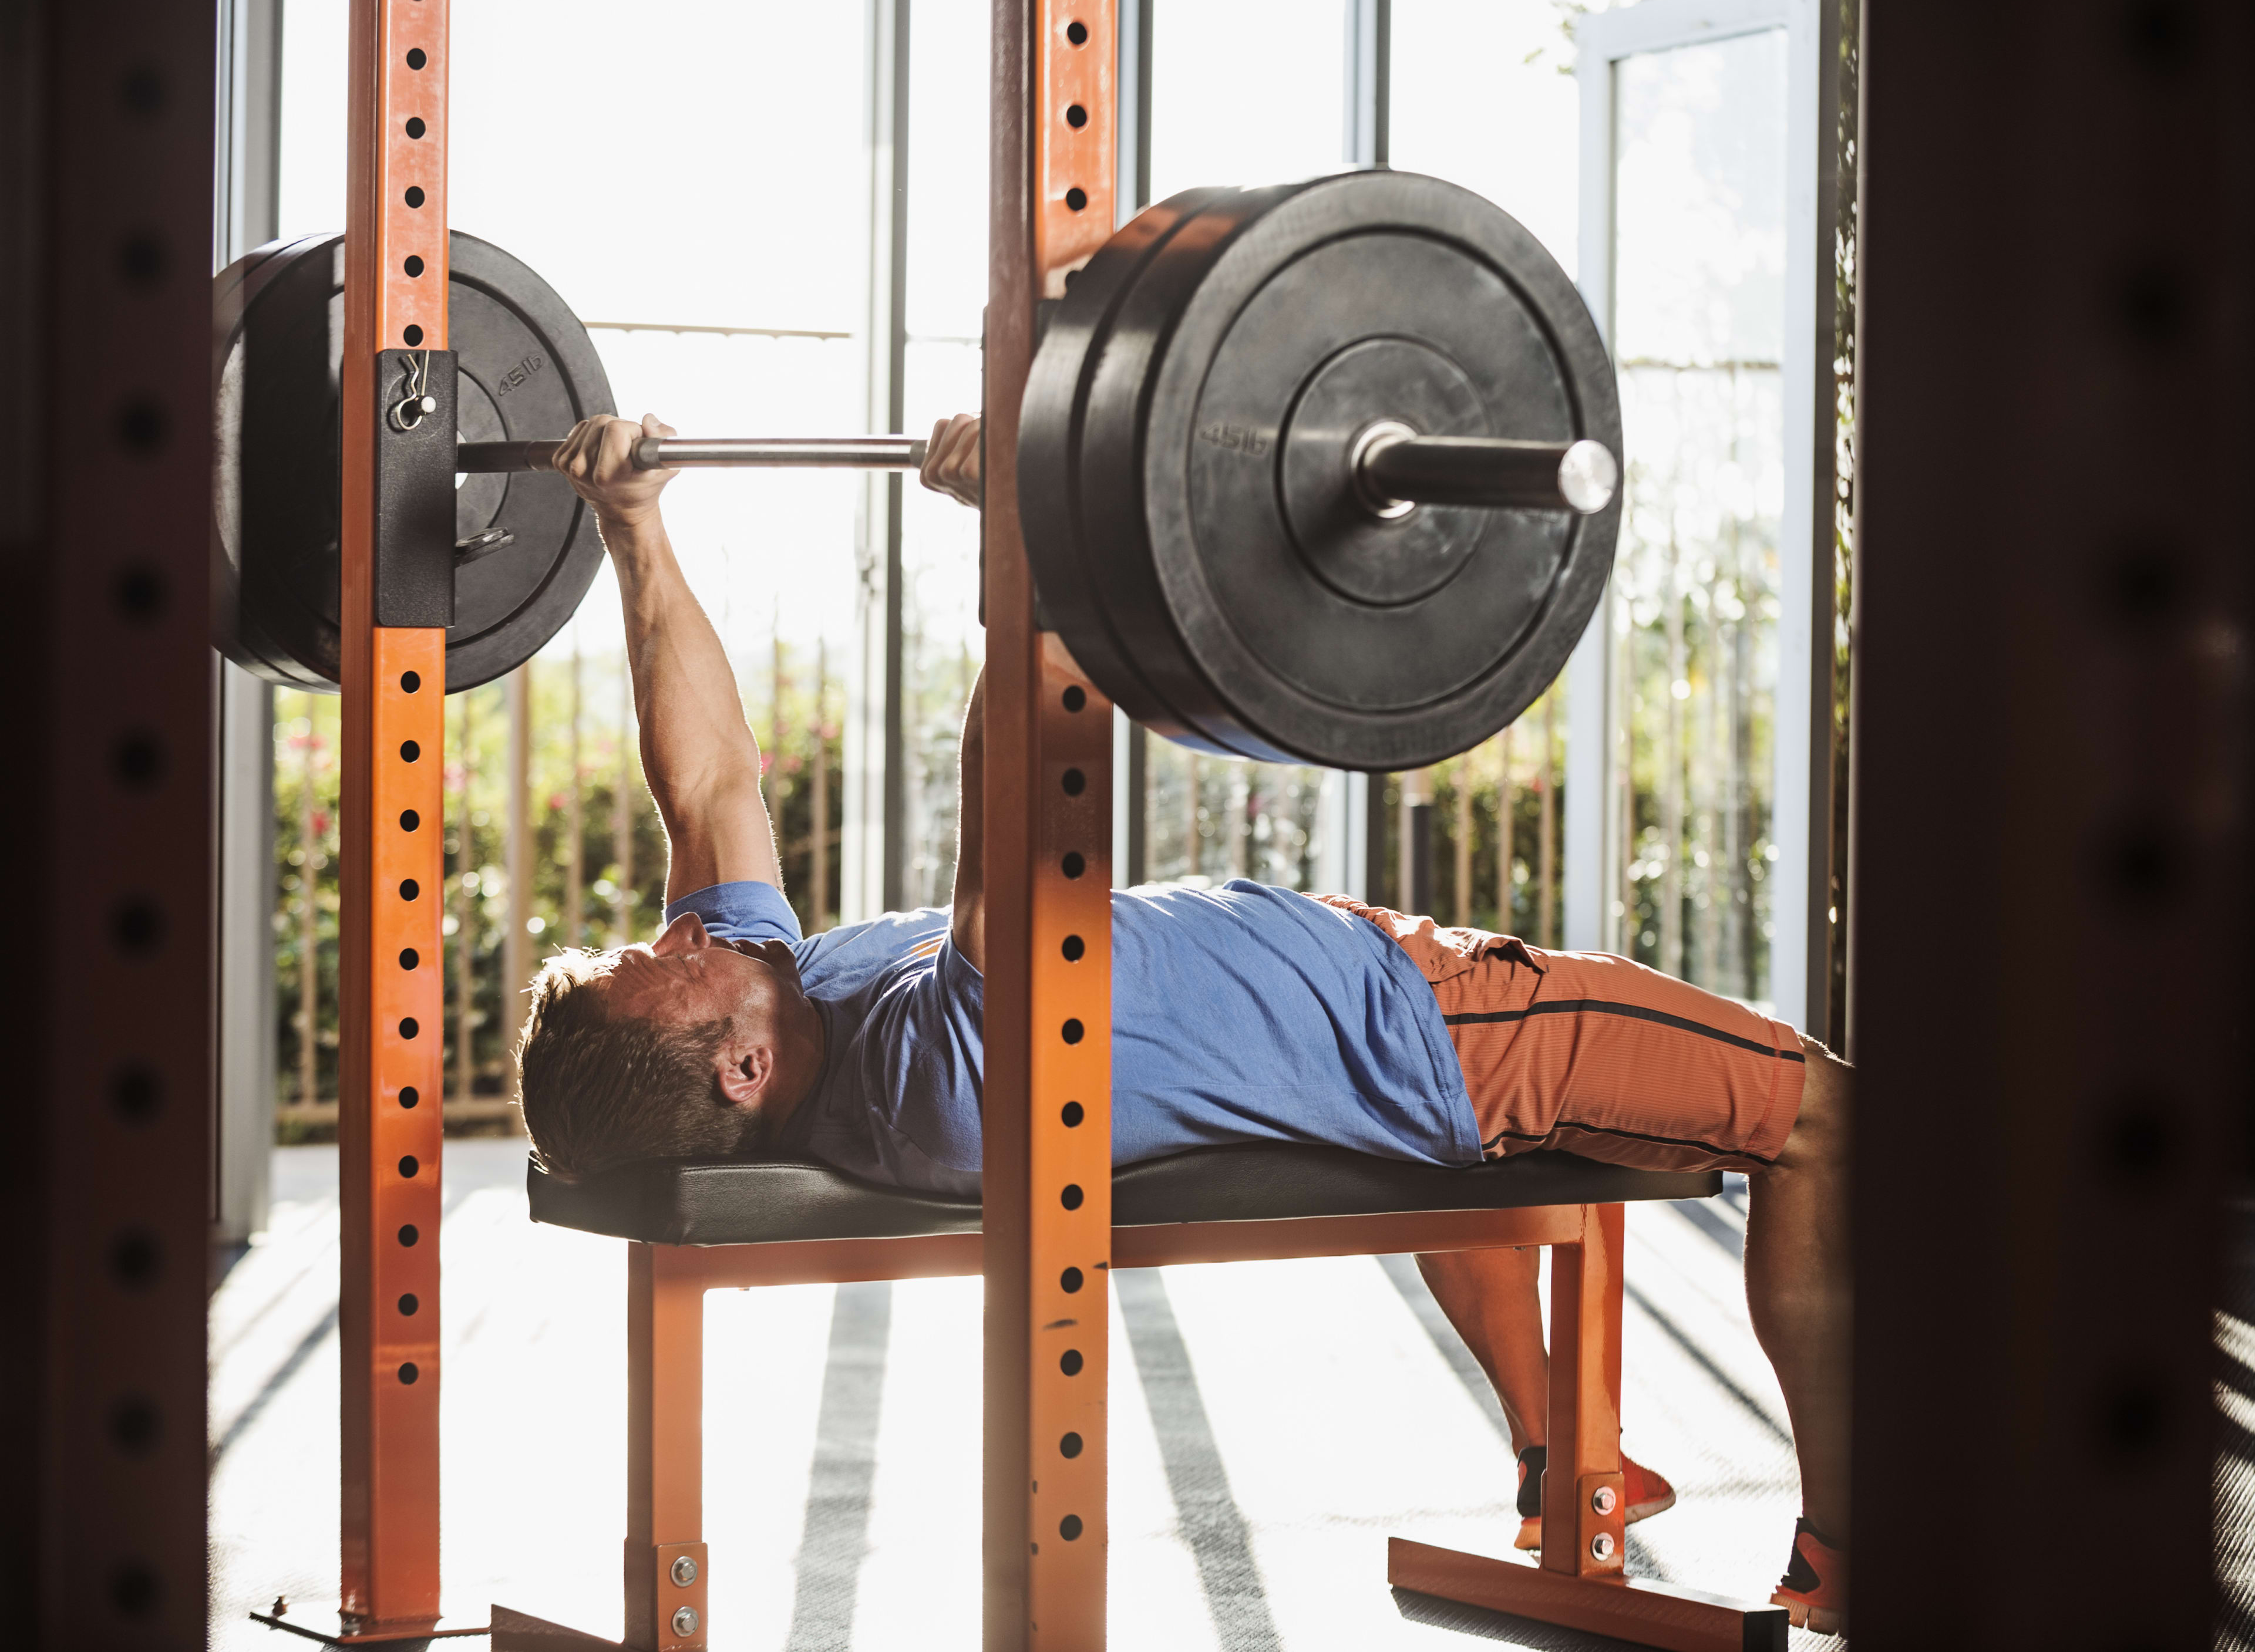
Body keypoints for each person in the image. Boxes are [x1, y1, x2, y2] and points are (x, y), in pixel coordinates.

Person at [516, 412, 1851, 1636]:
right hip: (1439, 1029)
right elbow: (1014, 807)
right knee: (1828, 1118)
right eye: (669, 962)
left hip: (1350, 1003)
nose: (685, 929)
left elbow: (703, 787)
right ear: (741, 1067)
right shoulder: (939, 1082)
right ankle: (1850, 1548)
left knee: (1499, 1185)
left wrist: (633, 526)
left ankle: (1564, 1456)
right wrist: (1025, 544)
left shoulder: (779, 1007)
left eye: (661, 933)